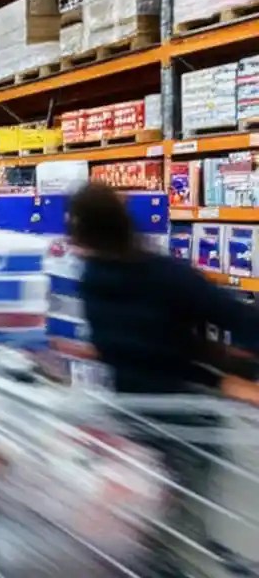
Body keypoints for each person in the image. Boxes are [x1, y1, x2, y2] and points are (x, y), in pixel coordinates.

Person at [68, 181, 259, 575]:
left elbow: (119, 345)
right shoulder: (163, 274)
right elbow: (236, 317)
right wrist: (239, 368)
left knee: (148, 521)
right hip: (186, 419)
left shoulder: (90, 280)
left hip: (130, 418)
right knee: (180, 526)